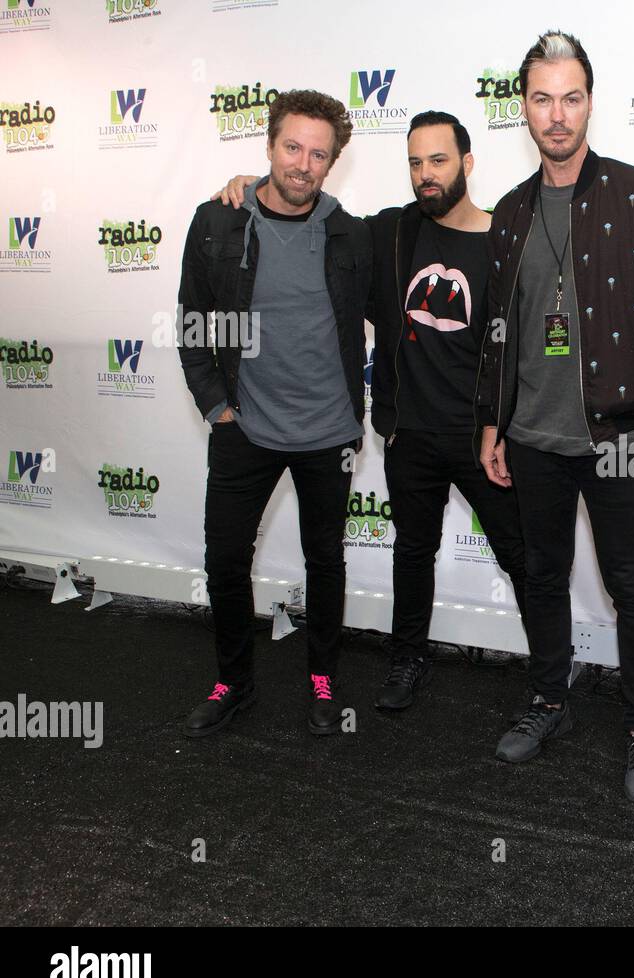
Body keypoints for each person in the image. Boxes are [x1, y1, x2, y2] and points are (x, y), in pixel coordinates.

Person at [215, 112, 530, 714]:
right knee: (413, 552)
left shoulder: (505, 240)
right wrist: (246, 186)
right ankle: (408, 659)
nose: (425, 175)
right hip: (409, 434)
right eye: (415, 163)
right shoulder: (387, 233)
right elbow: (302, 211)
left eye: (438, 161)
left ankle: (549, 678)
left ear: (467, 163)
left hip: (484, 436)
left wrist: (507, 424)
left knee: (521, 557)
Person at [476, 31, 634, 803]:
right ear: (525, 109)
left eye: (571, 97)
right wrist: (492, 421)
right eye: (542, 98)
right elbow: (495, 334)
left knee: (630, 582)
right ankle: (548, 699)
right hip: (532, 436)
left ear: (591, 103)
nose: (557, 114)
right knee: (542, 574)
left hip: (624, 434)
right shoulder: (509, 213)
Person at [178, 89, 372, 737]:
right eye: (293, 147)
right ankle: (232, 681)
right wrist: (215, 405)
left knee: (325, 561)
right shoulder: (219, 221)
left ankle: (322, 678)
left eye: (319, 154)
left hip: (329, 432)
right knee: (226, 561)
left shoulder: (350, 233)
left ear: (332, 163)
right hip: (245, 427)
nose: (303, 164)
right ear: (268, 147)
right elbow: (193, 322)